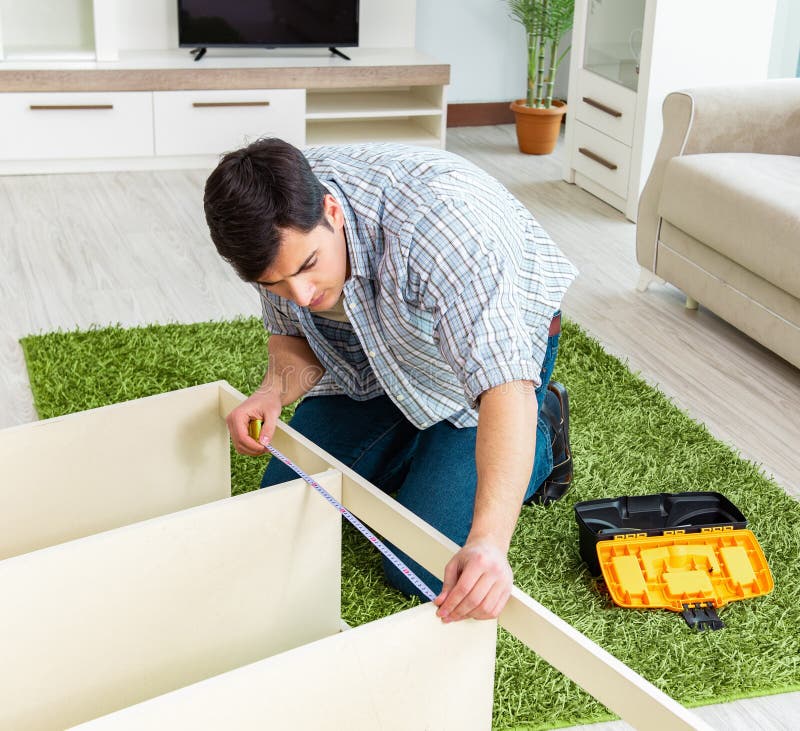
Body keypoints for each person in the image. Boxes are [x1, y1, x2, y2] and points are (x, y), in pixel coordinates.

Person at [203, 138, 577, 623]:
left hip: (486, 379)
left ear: (333, 211)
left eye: (308, 267)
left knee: (419, 570)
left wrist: (488, 543)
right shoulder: (275, 225)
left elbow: (503, 390)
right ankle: (416, 439)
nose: (300, 294)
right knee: (283, 505)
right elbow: (294, 343)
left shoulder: (444, 234)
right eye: (274, 284)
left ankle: (543, 429)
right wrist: (272, 392)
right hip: (372, 359)